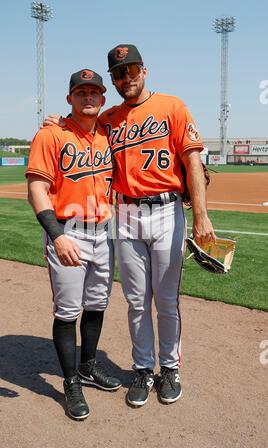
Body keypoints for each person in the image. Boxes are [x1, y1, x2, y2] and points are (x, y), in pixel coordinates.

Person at [44, 44, 215, 408]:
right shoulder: (108, 118)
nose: (127, 77)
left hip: (168, 211)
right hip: (125, 215)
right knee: (136, 300)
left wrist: (201, 215)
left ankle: (169, 368)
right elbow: (78, 125)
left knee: (166, 300)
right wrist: (57, 121)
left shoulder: (173, 106)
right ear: (113, 79)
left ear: (144, 70)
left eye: (132, 70)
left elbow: (193, 159)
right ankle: (143, 369)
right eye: (119, 73)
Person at [26, 69, 121, 421]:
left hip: (102, 231)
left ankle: (88, 366)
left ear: (102, 98)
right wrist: (57, 234)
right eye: (81, 93)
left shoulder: (107, 136)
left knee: (97, 303)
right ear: (69, 99)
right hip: (68, 229)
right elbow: (37, 188)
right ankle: (70, 383)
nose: (88, 98)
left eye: (94, 92)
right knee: (68, 311)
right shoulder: (51, 134)